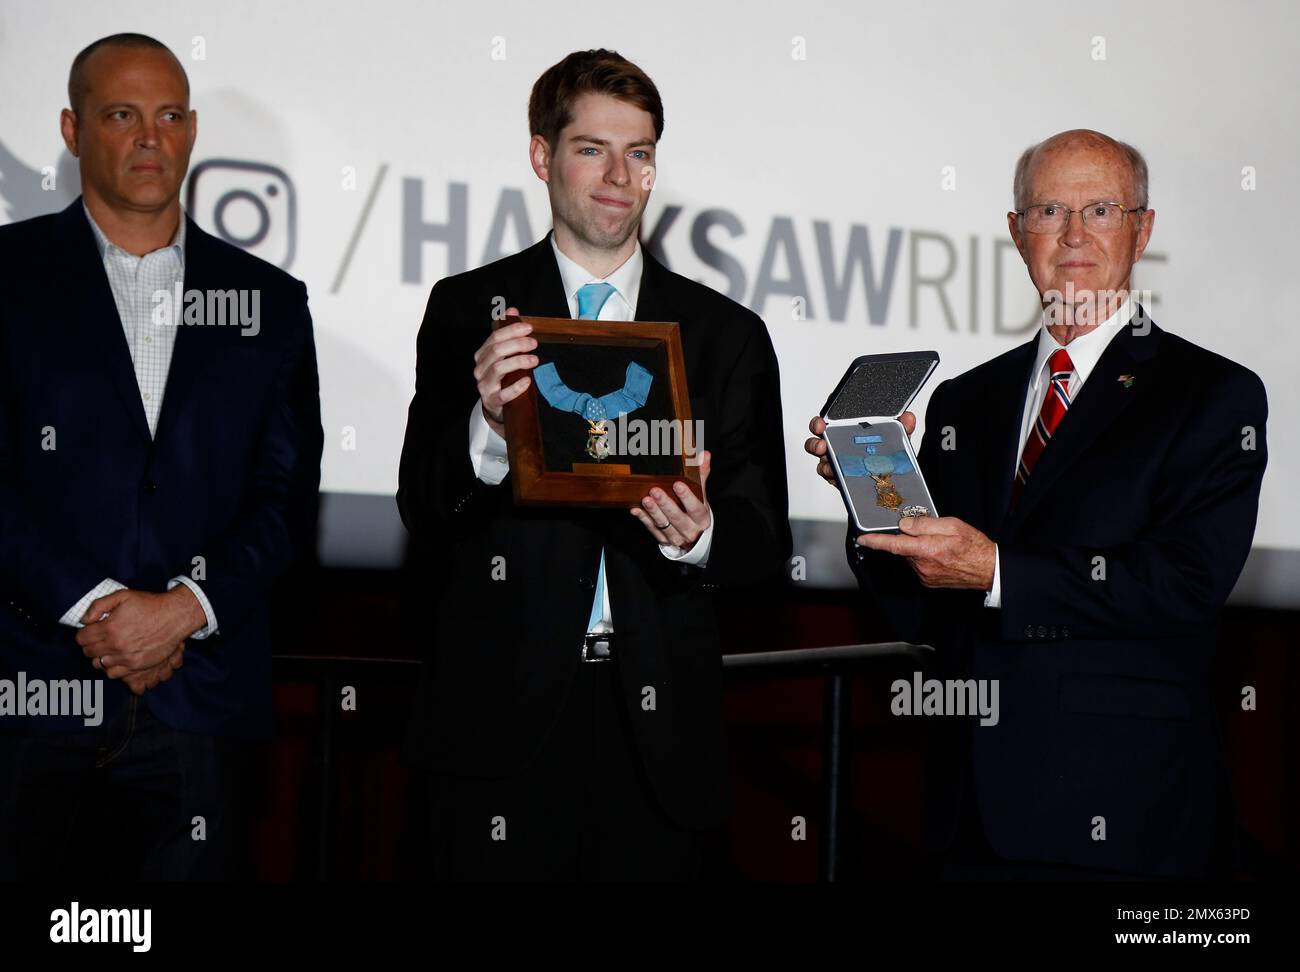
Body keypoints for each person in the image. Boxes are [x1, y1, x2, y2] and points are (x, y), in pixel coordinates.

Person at [806, 129, 1267, 879]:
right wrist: (874, 502)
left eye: (1101, 210)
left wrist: (997, 571)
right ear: (1018, 232)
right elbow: (924, 612)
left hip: (1122, 813)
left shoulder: (1213, 394)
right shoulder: (966, 400)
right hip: (968, 815)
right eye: (1050, 211)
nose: (1074, 234)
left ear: (1143, 229)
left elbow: (1185, 585)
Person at [398, 48, 791, 880]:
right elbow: (423, 509)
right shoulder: (468, 309)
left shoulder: (727, 334)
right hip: (497, 729)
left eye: (638, 152)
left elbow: (762, 542)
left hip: (660, 740)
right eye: (592, 149)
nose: (619, 176)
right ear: (542, 156)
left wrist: (701, 537)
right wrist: (490, 429)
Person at [0, 33, 323, 879]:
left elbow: (286, 499)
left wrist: (182, 610)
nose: (151, 137)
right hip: (30, 692)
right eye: (122, 115)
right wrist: (103, 610)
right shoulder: (7, 276)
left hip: (201, 704)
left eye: (171, 116)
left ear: (192, 130)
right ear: (72, 130)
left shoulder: (270, 301)